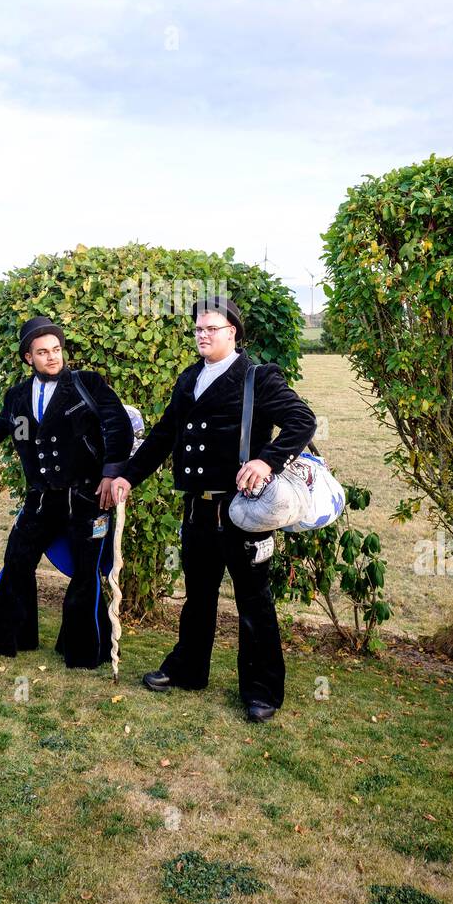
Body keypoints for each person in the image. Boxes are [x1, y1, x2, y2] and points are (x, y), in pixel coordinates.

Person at [112, 296, 316, 721]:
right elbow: (163, 436)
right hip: (198, 510)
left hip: (244, 510)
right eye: (199, 329)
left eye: (212, 328)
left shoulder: (257, 377)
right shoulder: (190, 377)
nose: (203, 335)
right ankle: (188, 669)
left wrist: (266, 461)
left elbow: (302, 420)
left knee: (254, 601)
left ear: (232, 333)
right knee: (199, 596)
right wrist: (129, 476)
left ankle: (262, 690)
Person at [0, 316, 133, 666]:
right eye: (43, 352)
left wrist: (110, 473)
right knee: (17, 562)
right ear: (29, 357)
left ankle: (83, 652)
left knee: (86, 573)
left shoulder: (87, 384)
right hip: (40, 500)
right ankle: (12, 637)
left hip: (87, 498)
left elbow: (118, 426)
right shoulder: (18, 397)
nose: (52, 357)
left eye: (56, 350)